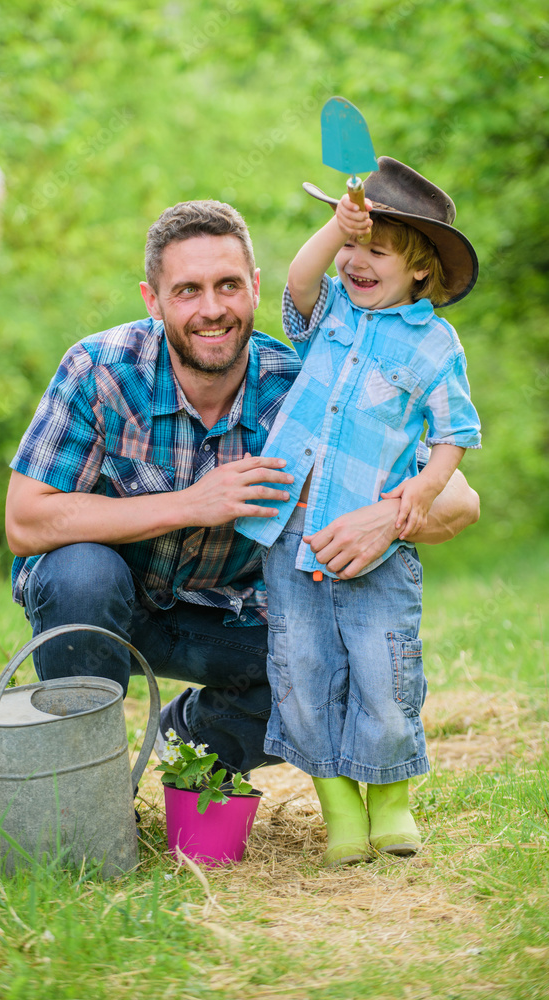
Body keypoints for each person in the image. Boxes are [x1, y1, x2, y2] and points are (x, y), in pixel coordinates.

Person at [4, 197, 479, 789]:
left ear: (254, 288)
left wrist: (386, 517)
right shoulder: (100, 371)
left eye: (228, 285)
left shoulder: (300, 384)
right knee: (80, 571)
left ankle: (192, 747)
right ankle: (81, 792)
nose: (212, 310)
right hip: (103, 608)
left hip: (225, 621)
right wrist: (193, 503)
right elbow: (25, 522)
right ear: (153, 301)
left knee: (338, 667)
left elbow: (462, 500)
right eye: (187, 291)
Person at [235, 158, 481, 866]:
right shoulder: (332, 315)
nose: (357, 262)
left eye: (377, 251)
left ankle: (391, 799)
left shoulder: (434, 344)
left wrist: (424, 492)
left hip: (377, 541)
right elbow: (299, 283)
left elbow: (453, 435)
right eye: (353, 247)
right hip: (291, 528)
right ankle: (338, 805)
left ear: (421, 272)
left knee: (384, 667)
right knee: (302, 667)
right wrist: (335, 226)